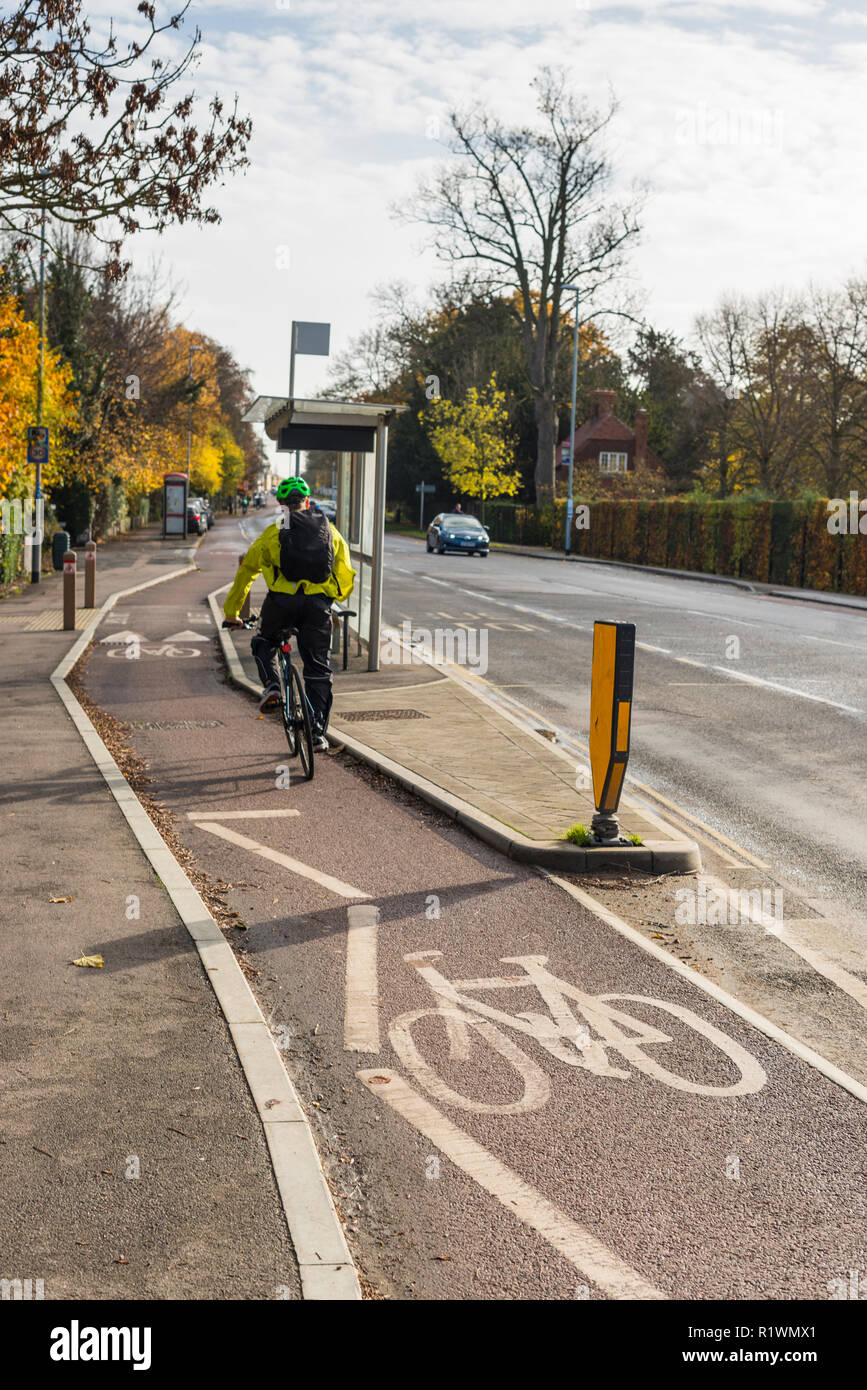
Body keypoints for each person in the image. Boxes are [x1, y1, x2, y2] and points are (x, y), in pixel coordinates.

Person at [223, 476, 355, 751]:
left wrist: (233, 613)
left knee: (263, 643)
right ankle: (317, 731)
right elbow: (344, 572)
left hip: (281, 605)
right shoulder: (329, 531)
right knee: (318, 668)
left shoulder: (273, 533)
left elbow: (247, 571)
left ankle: (272, 686)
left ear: (281, 505)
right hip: (317, 607)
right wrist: (330, 597)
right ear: (307, 502)